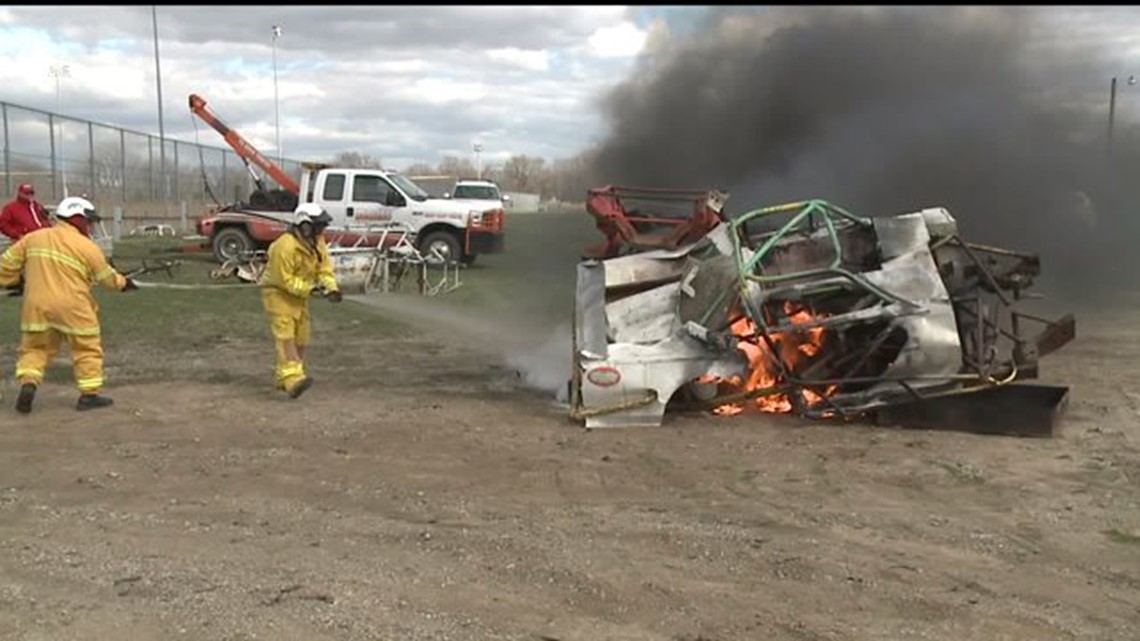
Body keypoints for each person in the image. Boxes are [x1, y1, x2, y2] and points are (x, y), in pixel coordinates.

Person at [0, 196, 138, 414]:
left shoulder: (33, 238)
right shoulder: (87, 247)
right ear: (78, 219)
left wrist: (12, 280)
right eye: (89, 221)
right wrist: (124, 284)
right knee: (86, 350)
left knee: (35, 349)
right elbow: (106, 277)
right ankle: (88, 395)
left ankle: (29, 384)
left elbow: (6, 264)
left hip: (36, 308)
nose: (91, 226)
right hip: (74, 308)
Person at [260, 203, 341, 398]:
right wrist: (311, 289)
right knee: (286, 337)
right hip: (278, 295)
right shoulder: (284, 247)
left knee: (302, 338)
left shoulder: (317, 242)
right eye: (318, 226)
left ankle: (284, 376)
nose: (322, 231)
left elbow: (324, 269)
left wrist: (331, 288)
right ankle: (293, 380)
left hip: (300, 296)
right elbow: (285, 280)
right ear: (304, 225)